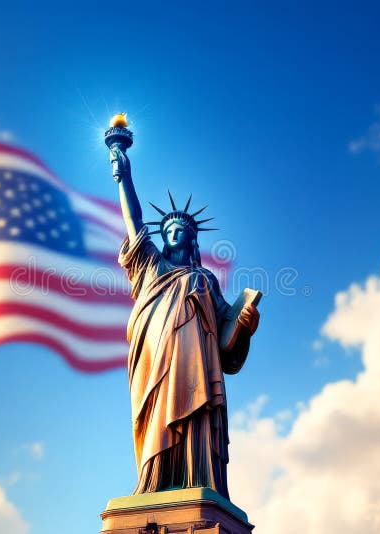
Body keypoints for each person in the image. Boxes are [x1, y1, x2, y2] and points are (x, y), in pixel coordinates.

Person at [109, 143, 260, 499]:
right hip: (156, 357)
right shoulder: (150, 266)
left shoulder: (206, 281)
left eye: (181, 228)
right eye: (169, 228)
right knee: (159, 416)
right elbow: (134, 222)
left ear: (192, 237)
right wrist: (124, 176)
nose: (174, 232)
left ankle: (197, 479)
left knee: (197, 413)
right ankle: (155, 481)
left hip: (198, 363)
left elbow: (227, 335)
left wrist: (246, 323)